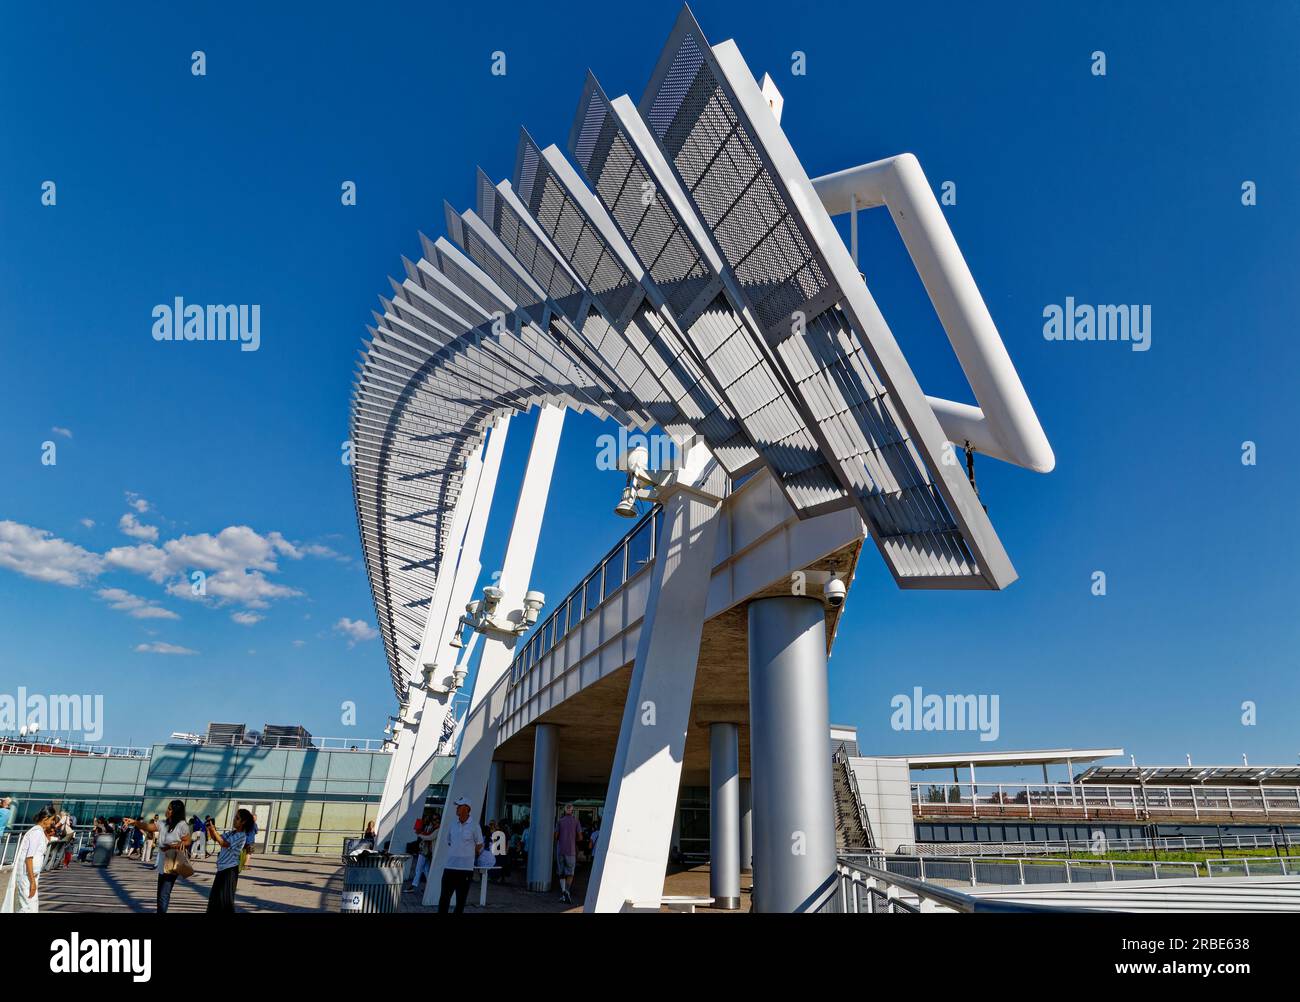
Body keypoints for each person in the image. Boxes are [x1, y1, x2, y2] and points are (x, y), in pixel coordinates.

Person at [129, 800, 192, 912]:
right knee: (160, 893)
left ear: (176, 811)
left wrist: (172, 846)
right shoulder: (163, 823)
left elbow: (187, 841)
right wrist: (135, 822)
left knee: (164, 893)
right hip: (163, 863)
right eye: (168, 808)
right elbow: (148, 827)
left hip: (172, 862)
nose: (167, 811)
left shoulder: (182, 825)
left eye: (170, 809)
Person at [1, 808, 58, 912]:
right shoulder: (36, 833)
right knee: (28, 907)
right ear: (45, 818)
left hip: (29, 876)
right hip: (27, 877)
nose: (52, 823)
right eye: (52, 819)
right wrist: (32, 882)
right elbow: (29, 858)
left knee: (28, 906)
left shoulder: (39, 832)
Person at [437, 797, 482, 914]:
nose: (457, 808)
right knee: (444, 899)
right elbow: (449, 841)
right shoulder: (452, 824)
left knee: (460, 901)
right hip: (449, 867)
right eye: (457, 806)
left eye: (459, 806)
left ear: (467, 808)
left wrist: (468, 855)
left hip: (465, 870)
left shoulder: (475, 826)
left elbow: (480, 844)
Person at [204, 810, 253, 914]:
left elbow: (224, 843)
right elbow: (217, 838)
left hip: (229, 871)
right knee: (215, 899)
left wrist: (213, 830)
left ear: (243, 822)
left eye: (237, 818)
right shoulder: (232, 833)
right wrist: (211, 829)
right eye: (235, 817)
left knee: (225, 901)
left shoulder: (241, 835)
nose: (234, 820)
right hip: (222, 869)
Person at [554, 803, 581, 905]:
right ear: (572, 811)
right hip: (571, 851)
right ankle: (567, 891)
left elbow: (556, 836)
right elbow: (580, 837)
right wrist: (573, 840)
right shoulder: (576, 821)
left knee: (561, 872)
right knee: (570, 873)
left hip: (561, 850)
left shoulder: (560, 821)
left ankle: (563, 893)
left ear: (565, 811)